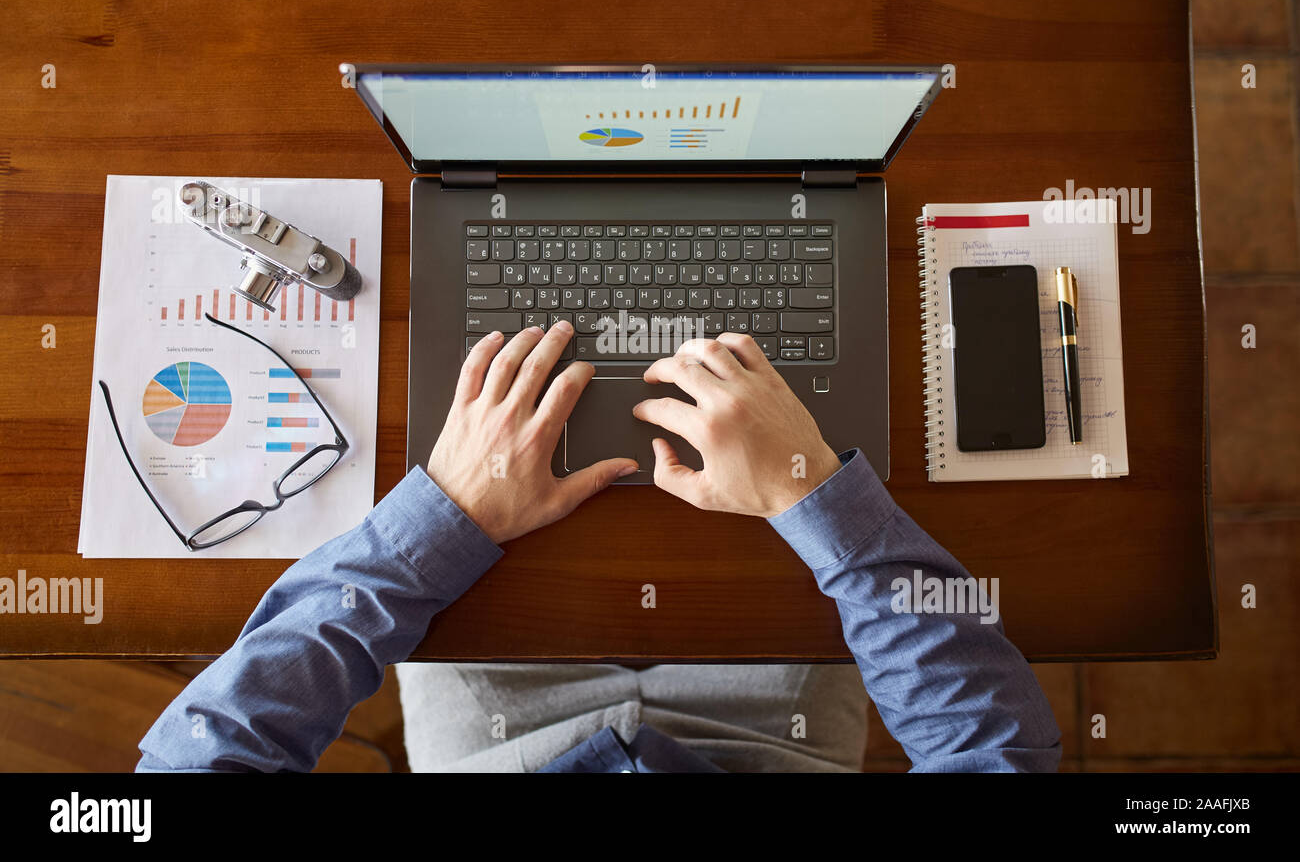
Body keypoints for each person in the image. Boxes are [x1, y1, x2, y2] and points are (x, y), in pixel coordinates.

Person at [136, 322, 1061, 772]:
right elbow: (993, 753)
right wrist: (810, 495)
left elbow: (204, 757)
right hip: (767, 728)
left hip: (503, 732)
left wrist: (438, 524)